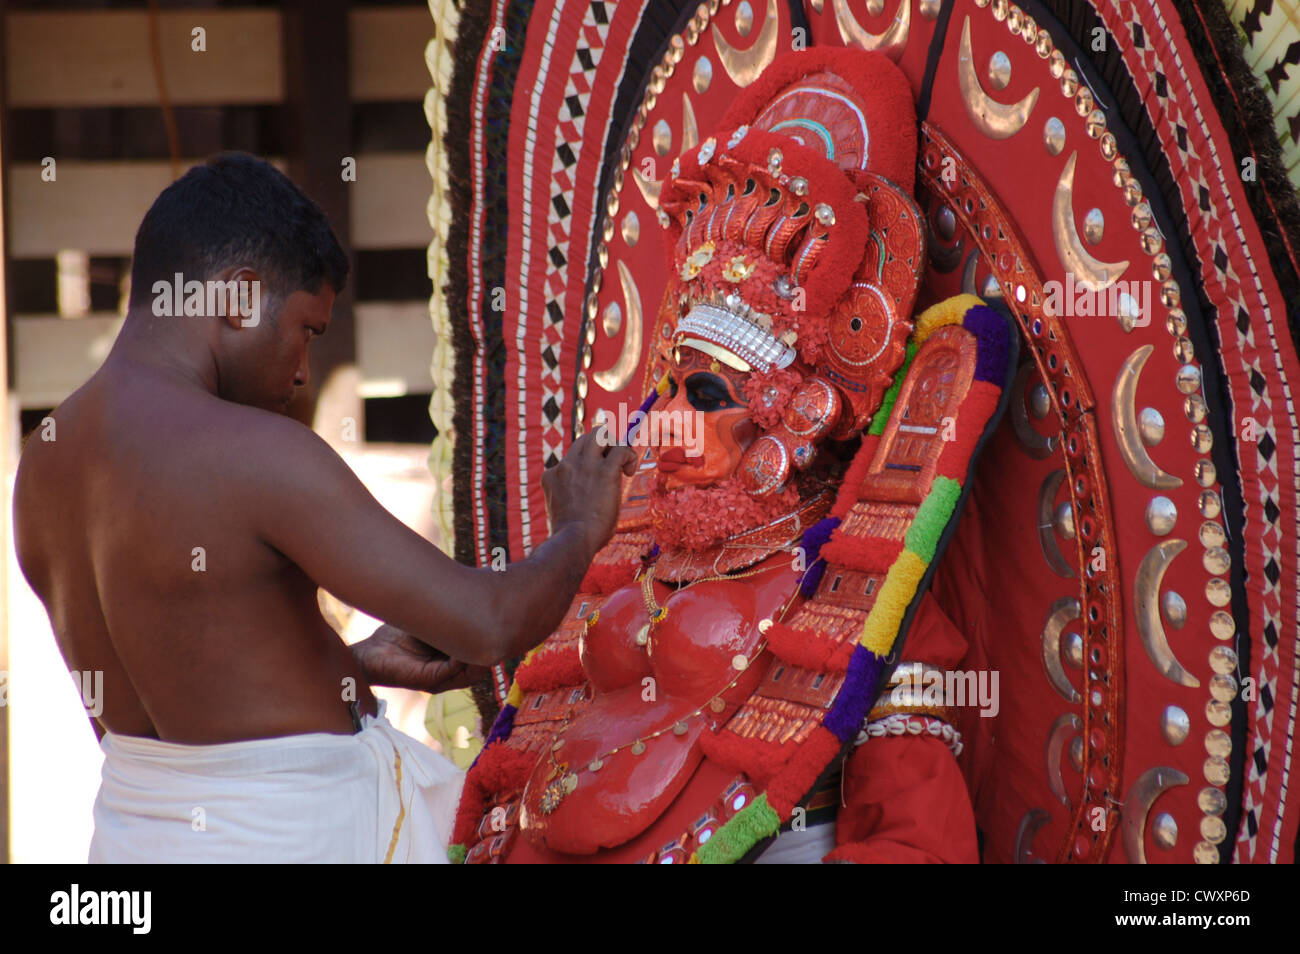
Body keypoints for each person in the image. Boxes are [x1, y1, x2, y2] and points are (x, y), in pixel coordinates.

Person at [11, 152, 635, 863]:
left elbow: (181, 708)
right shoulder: (254, 453)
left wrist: (347, 665)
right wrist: (581, 528)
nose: (305, 370)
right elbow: (488, 625)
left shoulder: (43, 464)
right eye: (307, 330)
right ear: (241, 299)